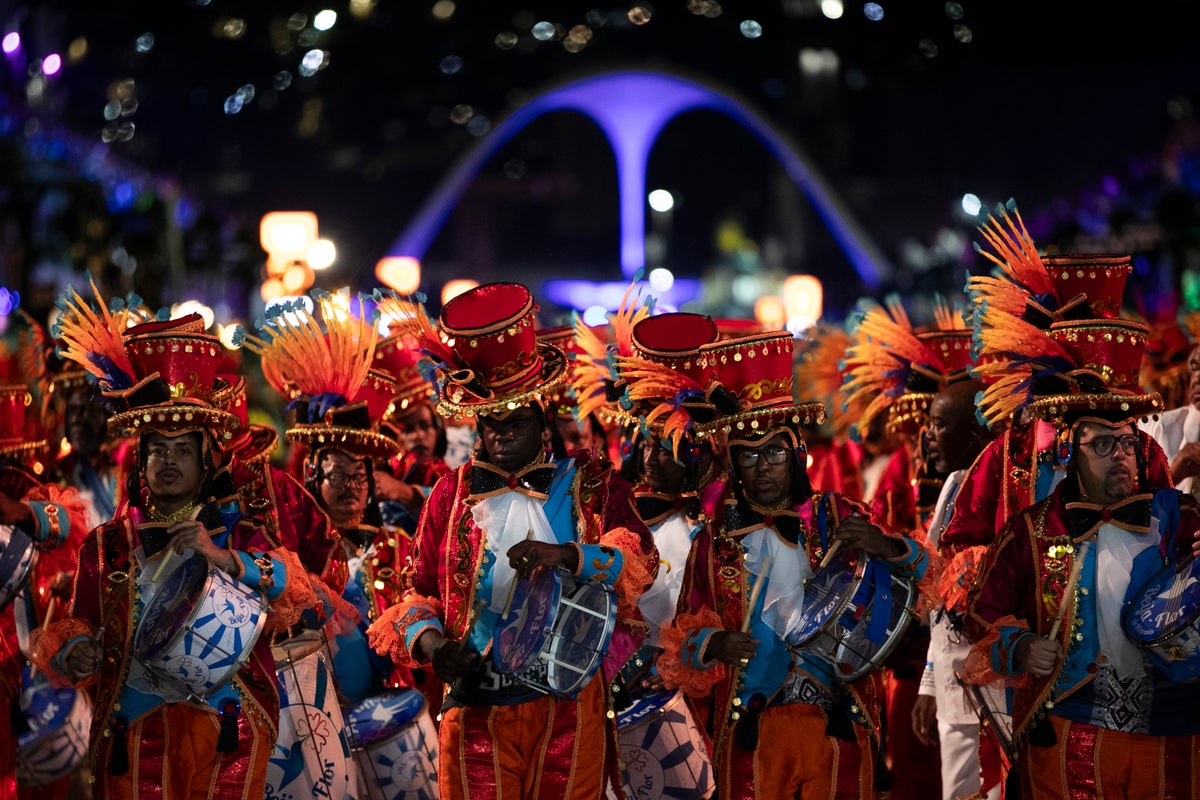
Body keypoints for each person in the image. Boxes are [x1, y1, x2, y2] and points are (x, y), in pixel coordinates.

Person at [367, 282, 657, 800]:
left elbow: (640, 559)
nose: (500, 433)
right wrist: (433, 645)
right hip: (476, 708)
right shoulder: (447, 497)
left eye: (516, 419)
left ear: (544, 420)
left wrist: (567, 555)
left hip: (569, 707)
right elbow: (413, 592)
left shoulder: (591, 481)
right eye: (489, 421)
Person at [31, 290, 316, 799]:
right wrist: (76, 650)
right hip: (133, 735)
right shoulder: (107, 544)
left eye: (182, 450)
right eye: (156, 450)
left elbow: (293, 588)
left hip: (228, 731)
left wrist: (223, 558)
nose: (167, 461)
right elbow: (80, 621)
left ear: (206, 462)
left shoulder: (238, 533)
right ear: (138, 462)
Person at [657, 330, 928, 800]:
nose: (763, 467)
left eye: (774, 453)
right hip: (750, 735)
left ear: (797, 453)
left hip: (838, 728)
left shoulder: (844, 517)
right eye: (749, 456)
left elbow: (924, 581)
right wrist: (712, 642)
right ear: (733, 465)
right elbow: (681, 643)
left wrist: (887, 547)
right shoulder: (713, 543)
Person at [909, 379, 1005, 800]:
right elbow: (937, 596)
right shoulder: (952, 485)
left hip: (999, 688)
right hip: (952, 687)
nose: (928, 436)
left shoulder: (1007, 488)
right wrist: (930, 684)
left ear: (976, 436)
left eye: (939, 425)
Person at [1142, 342, 1200, 491]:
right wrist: (1173, 476)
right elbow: (1134, 506)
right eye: (1195, 368)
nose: (1197, 378)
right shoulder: (1152, 428)